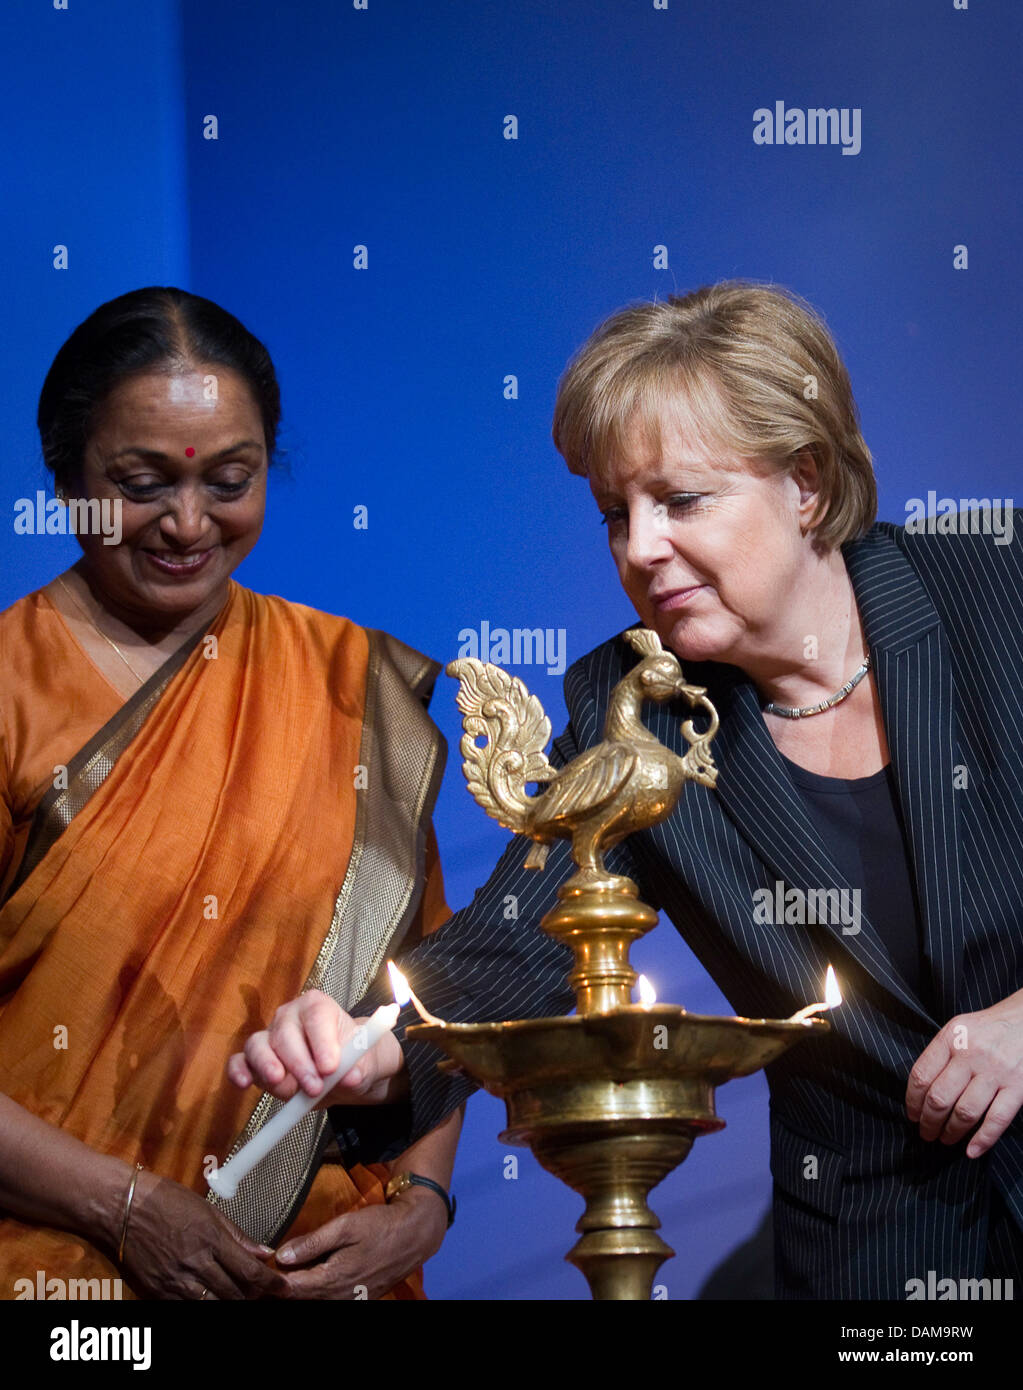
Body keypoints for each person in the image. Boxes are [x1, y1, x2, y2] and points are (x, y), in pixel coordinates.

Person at [232, 280, 1023, 1299]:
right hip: (883, 1260)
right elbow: (510, 941)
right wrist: (371, 1046)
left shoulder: (995, 588)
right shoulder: (634, 706)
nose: (638, 548)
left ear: (808, 484)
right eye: (616, 511)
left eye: (681, 500)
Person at [0, 287, 461, 1301]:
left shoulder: (350, 682)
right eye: (142, 481)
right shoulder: (10, 691)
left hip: (322, 1270)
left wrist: (423, 1209)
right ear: (64, 472)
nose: (187, 522)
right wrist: (121, 1205)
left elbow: (425, 998)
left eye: (232, 480)